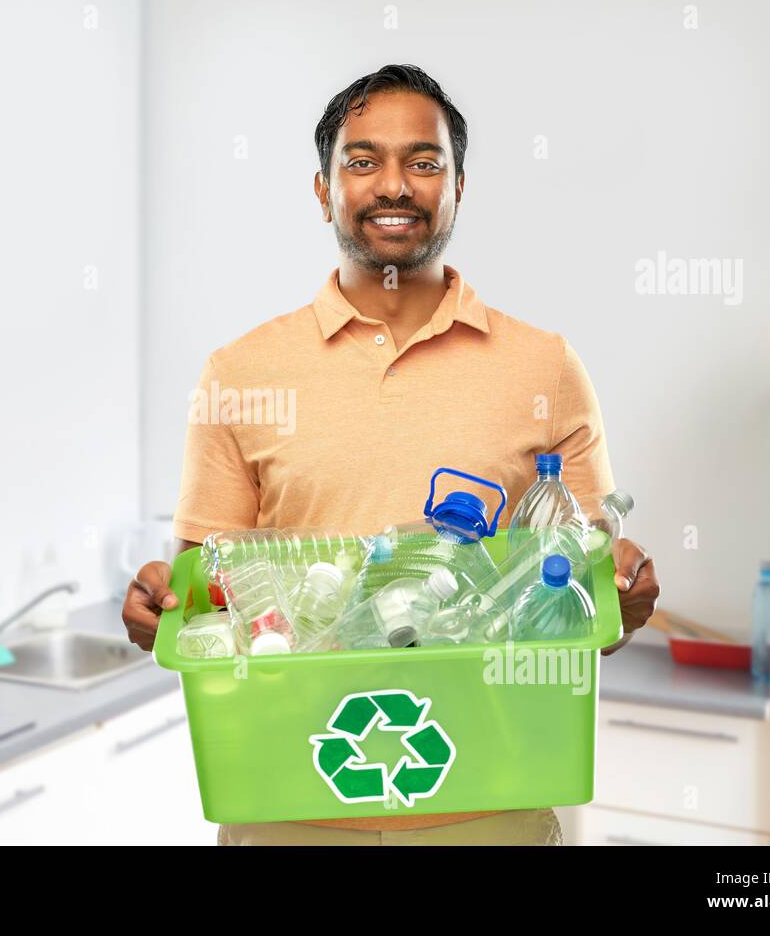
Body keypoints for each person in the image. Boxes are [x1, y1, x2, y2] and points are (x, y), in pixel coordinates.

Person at [122, 64, 660, 846]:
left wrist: (623, 601)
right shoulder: (239, 373)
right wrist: (157, 604)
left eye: (425, 161)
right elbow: (208, 598)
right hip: (286, 801)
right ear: (323, 189)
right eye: (363, 160)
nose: (395, 185)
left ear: (459, 185)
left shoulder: (546, 368)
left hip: (490, 803)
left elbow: (579, 607)